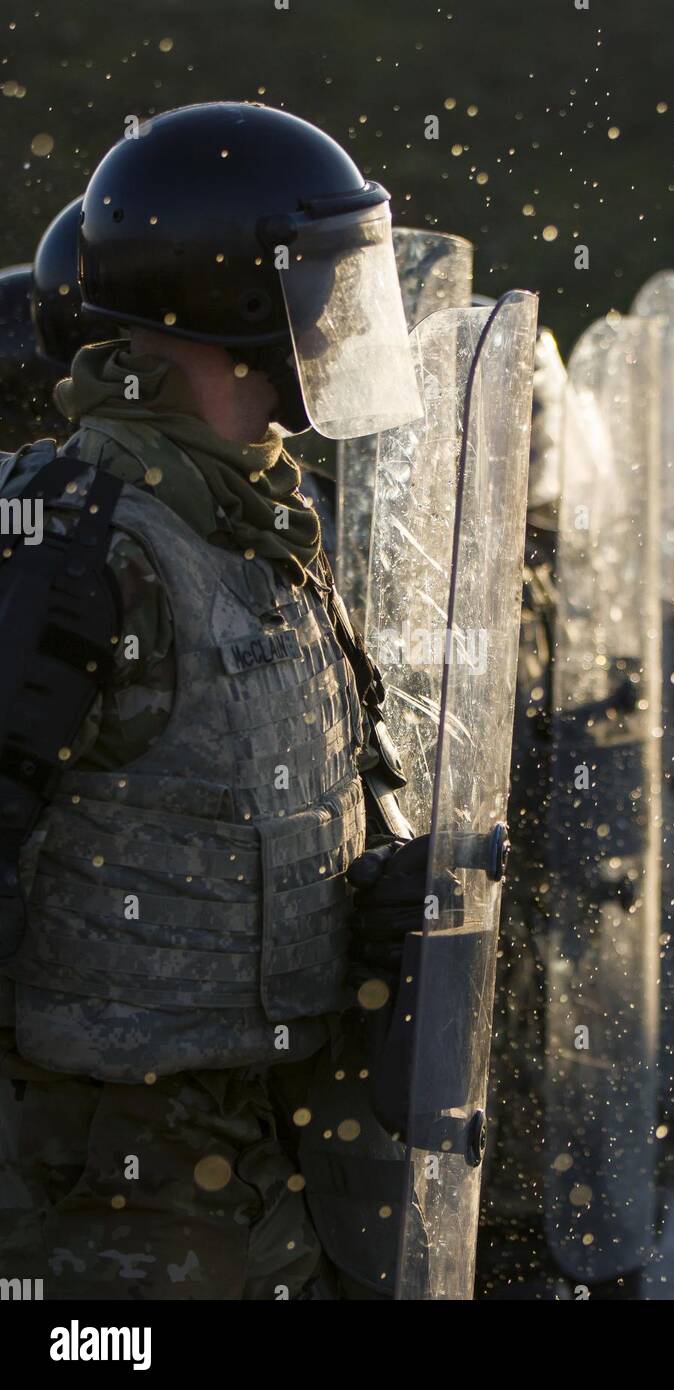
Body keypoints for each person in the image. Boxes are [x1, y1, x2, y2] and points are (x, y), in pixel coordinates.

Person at [0, 100, 427, 1300]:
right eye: (328, 278)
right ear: (236, 293)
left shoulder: (267, 525)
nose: (347, 316)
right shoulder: (74, 536)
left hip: (267, 1157)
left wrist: (397, 890)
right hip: (102, 1188)